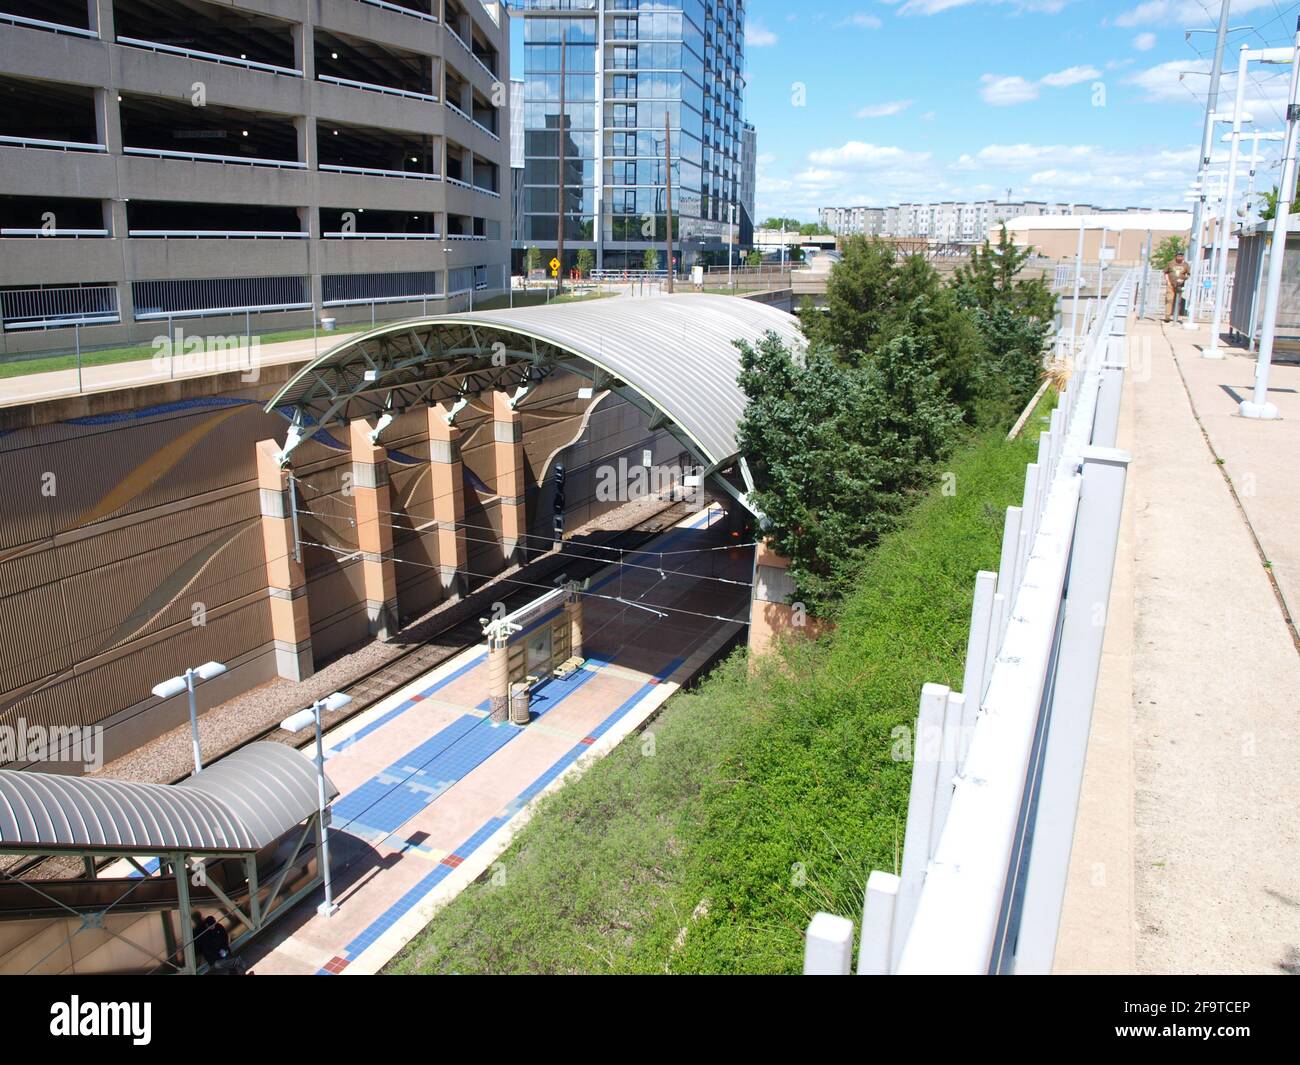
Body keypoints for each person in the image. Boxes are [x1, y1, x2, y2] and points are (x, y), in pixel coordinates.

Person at [1165, 251, 1191, 322]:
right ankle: (1167, 316)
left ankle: (1175, 316)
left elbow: (1188, 274)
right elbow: (1166, 272)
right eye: (1178, 256)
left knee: (1178, 301)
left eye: (1181, 256)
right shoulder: (1171, 263)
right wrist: (1168, 281)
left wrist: (1183, 279)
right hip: (1170, 284)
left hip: (1180, 285)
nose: (1179, 257)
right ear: (1176, 256)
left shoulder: (1186, 265)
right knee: (1169, 299)